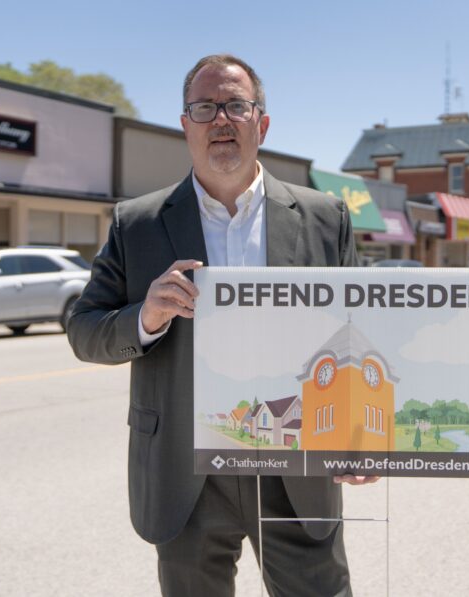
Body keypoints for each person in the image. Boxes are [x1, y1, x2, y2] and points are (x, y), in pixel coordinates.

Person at [67, 54, 377, 597]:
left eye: (236, 104)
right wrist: (145, 316)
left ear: (263, 123)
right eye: (205, 107)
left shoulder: (327, 218)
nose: (221, 119)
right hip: (186, 476)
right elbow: (84, 329)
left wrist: (365, 434)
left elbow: (360, 332)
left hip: (296, 469)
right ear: (185, 125)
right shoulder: (136, 223)